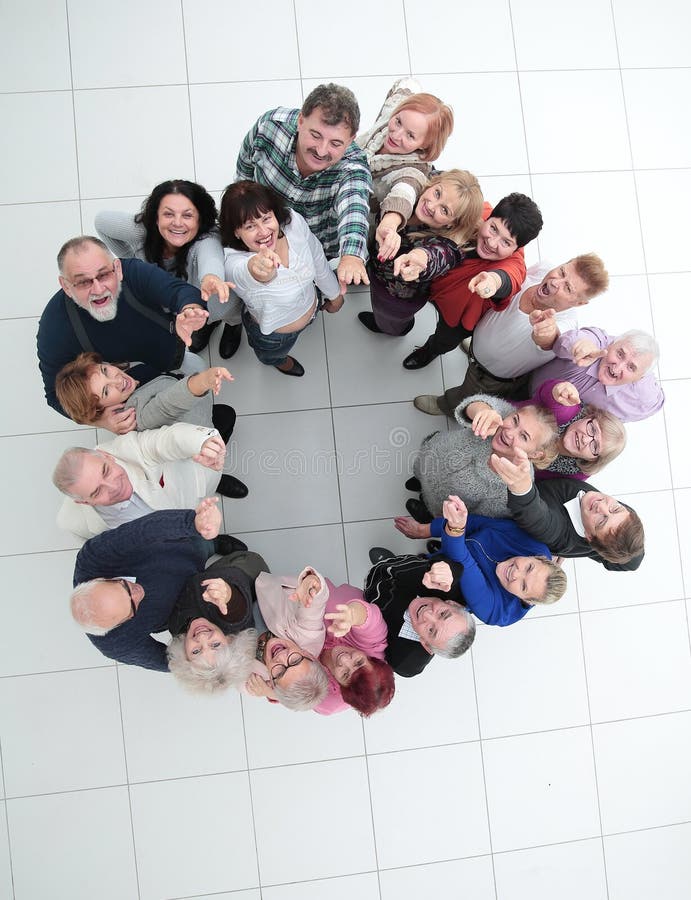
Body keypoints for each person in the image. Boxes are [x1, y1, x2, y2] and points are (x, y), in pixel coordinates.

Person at [38, 236, 209, 423]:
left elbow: (180, 292)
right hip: (127, 392)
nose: (97, 289)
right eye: (83, 282)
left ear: (118, 269)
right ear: (66, 286)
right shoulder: (54, 326)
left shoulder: (134, 273)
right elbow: (54, 395)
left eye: (103, 275)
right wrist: (103, 421)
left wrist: (190, 311)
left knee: (200, 380)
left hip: (172, 357)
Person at [414, 254, 609, 415]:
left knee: (466, 397)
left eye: (568, 288)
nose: (555, 282)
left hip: (490, 377)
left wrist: (547, 334)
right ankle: (474, 351)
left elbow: (554, 340)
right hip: (479, 342)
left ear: (579, 303)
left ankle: (446, 405)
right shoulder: (543, 268)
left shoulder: (565, 324)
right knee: (475, 349)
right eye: (561, 272)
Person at [70, 500, 246, 671]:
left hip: (176, 554)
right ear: (117, 625)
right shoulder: (115, 643)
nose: (139, 593)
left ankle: (213, 544)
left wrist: (193, 523)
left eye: (125, 586)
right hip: (180, 606)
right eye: (132, 606)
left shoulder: (93, 558)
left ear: (102, 579)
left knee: (202, 543)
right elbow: (170, 662)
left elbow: (142, 531)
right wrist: (204, 665)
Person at [235, 83, 372, 290]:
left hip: (315, 245)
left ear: (351, 139)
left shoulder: (353, 167)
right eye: (315, 135)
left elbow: (354, 206)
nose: (321, 150)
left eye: (335, 143)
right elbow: (245, 165)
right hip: (261, 229)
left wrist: (352, 256)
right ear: (300, 120)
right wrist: (242, 207)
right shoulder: (270, 126)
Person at [95, 179, 242, 357]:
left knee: (230, 316)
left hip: (217, 300)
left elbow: (210, 258)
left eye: (187, 215)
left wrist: (211, 277)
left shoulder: (207, 239)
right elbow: (101, 222)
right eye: (168, 214)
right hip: (185, 306)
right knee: (197, 320)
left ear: (200, 219)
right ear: (156, 217)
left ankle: (232, 328)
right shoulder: (144, 231)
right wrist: (132, 263)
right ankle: (205, 327)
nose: (177, 223)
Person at [402, 192, 544, 369]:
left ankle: (430, 351)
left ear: (517, 248)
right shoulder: (476, 211)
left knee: (445, 340)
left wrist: (492, 282)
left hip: (459, 312)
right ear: (488, 217)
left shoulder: (515, 263)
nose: (492, 243)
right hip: (432, 282)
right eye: (493, 228)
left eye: (506, 242)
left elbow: (510, 277)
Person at [220, 181, 343, 377]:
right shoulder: (232, 261)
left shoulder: (293, 222)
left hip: (312, 306)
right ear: (236, 231)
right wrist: (260, 270)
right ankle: (279, 361)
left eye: (266, 218)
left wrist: (334, 294)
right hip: (274, 337)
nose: (263, 232)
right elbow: (246, 272)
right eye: (250, 226)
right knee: (271, 354)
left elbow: (317, 256)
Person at [391, 495, 567, 626]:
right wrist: (426, 529)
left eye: (523, 586)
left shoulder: (496, 612)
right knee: (451, 541)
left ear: (527, 600)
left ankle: (420, 559)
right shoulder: (535, 546)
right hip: (462, 541)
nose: (516, 573)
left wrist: (454, 527)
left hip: (453, 578)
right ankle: (439, 538)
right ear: (538, 557)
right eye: (529, 568)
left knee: (439, 568)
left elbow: (462, 561)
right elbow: (481, 524)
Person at [53, 423, 241, 542]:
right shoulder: (74, 523)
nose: (114, 487)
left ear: (106, 456)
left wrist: (202, 443)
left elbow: (167, 440)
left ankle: (218, 484)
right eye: (96, 492)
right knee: (199, 544)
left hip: (188, 491)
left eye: (106, 471)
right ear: (84, 502)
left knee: (208, 485)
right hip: (165, 540)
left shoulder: (129, 449)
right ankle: (215, 545)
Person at [246, 567, 395, 716]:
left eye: (345, 674)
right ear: (371, 658)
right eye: (358, 662)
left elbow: (295, 694)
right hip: (300, 602)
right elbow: (371, 619)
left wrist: (271, 692)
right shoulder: (373, 644)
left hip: (277, 642)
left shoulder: (329, 701)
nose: (344, 659)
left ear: (340, 687)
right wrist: (351, 615)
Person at [357, 170, 484, 338]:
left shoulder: (450, 248)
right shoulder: (420, 188)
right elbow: (413, 175)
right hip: (375, 266)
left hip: (396, 297)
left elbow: (436, 256)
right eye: (437, 193)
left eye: (444, 210)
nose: (431, 206)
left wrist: (418, 258)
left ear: (452, 225)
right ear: (433, 183)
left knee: (388, 319)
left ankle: (393, 329)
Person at [408, 394, 558, 522]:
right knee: (420, 471)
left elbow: (477, 518)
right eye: (515, 420)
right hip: (432, 456)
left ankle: (427, 510)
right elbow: (474, 405)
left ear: (534, 454)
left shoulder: (514, 487)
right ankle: (420, 480)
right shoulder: (503, 415)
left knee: (431, 509)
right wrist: (483, 411)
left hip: (440, 504)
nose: (509, 432)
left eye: (524, 436)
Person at [491, 447, 645, 571]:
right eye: (615, 509)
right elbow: (633, 562)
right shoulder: (614, 518)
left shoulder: (558, 534)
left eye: (601, 521)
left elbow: (535, 516)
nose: (601, 505)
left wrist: (522, 483)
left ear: (589, 537)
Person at [356, 77, 453, 254]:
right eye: (399, 121)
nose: (396, 134)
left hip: (353, 226)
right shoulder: (393, 113)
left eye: (410, 136)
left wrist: (390, 224)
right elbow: (408, 84)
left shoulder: (414, 171)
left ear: (425, 144)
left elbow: (404, 194)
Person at [364, 530, 476, 678]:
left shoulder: (404, 661)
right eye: (443, 613)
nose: (427, 614)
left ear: (426, 645)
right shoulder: (455, 589)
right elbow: (456, 568)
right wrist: (447, 570)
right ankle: (386, 565)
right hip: (403, 571)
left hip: (373, 603)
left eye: (431, 630)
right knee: (391, 569)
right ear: (453, 604)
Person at [166, 550, 268, 692]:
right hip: (246, 567)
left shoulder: (176, 630)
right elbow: (237, 612)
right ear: (230, 640)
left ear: (184, 655)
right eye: (215, 644)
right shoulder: (234, 621)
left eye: (196, 651)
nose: (201, 637)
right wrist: (228, 596)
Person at [528, 326, 664, 423]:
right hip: (524, 385)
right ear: (612, 344)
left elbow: (657, 403)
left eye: (631, 367)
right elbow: (569, 340)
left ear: (638, 378)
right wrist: (579, 346)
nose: (617, 368)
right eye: (620, 354)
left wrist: (644, 372)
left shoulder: (640, 396)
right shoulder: (598, 342)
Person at [527, 379, 626, 481]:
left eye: (595, 446)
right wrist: (557, 391)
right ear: (588, 417)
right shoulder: (568, 410)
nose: (585, 439)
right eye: (592, 429)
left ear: (592, 460)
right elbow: (553, 395)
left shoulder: (576, 476)